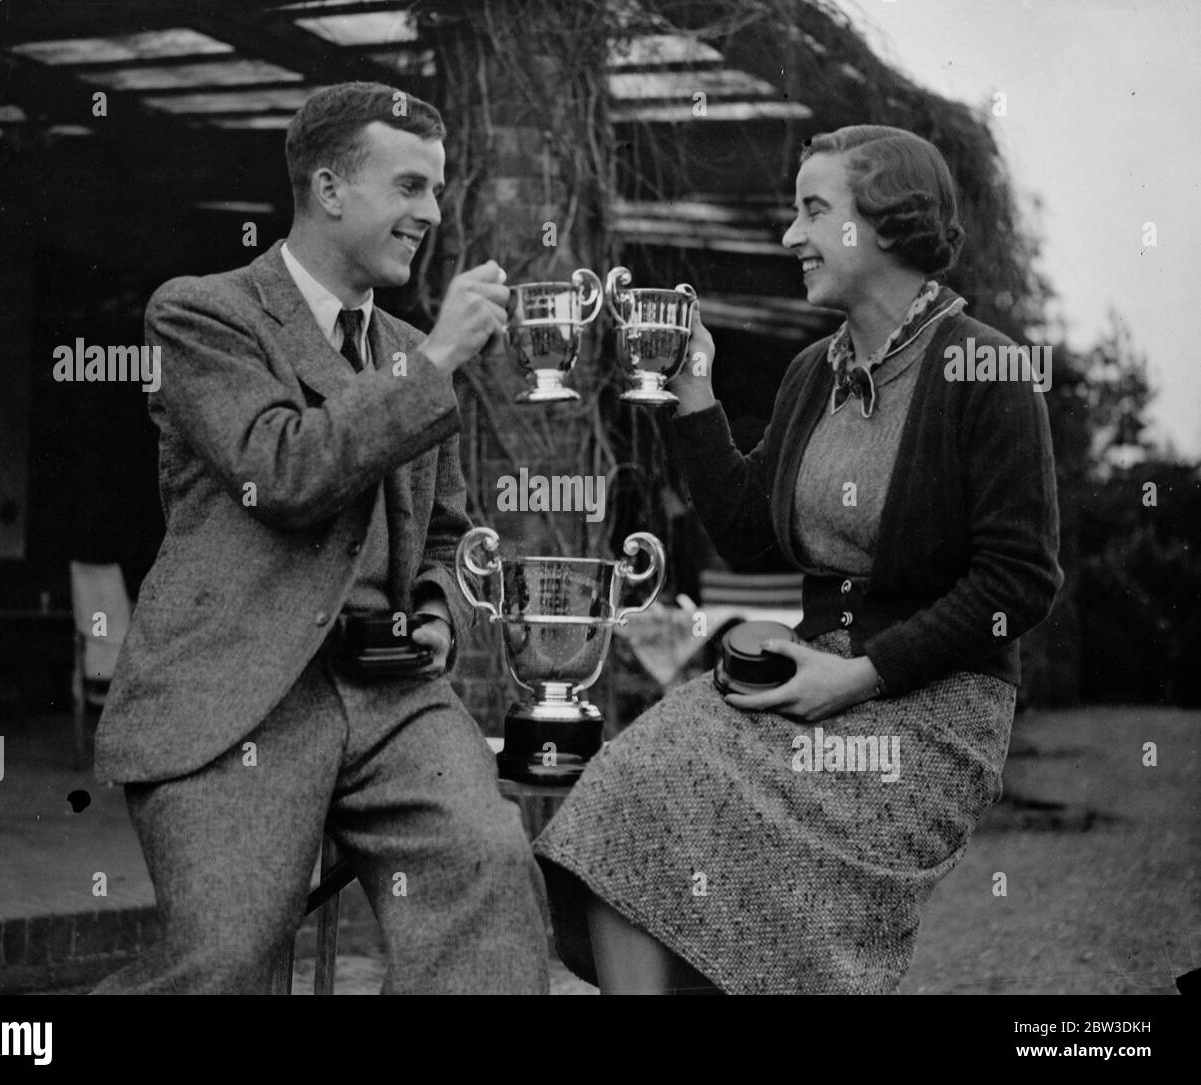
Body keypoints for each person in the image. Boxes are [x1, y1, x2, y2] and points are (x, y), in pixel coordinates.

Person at [533, 125, 1063, 994]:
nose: (790, 235)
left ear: (885, 225)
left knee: (728, 842)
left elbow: (1020, 580)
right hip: (810, 680)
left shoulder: (989, 370)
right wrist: (693, 390)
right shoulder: (813, 372)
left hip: (932, 712)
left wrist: (859, 675)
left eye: (814, 211)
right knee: (628, 783)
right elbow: (750, 528)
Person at [91, 82, 549, 994]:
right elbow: (282, 471)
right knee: (229, 962)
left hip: (389, 695)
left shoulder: (407, 350)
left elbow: (450, 534)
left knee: (490, 867)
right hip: (236, 696)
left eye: (437, 190)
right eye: (410, 186)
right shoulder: (203, 314)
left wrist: (437, 612)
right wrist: (434, 362)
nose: (432, 213)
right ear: (331, 189)